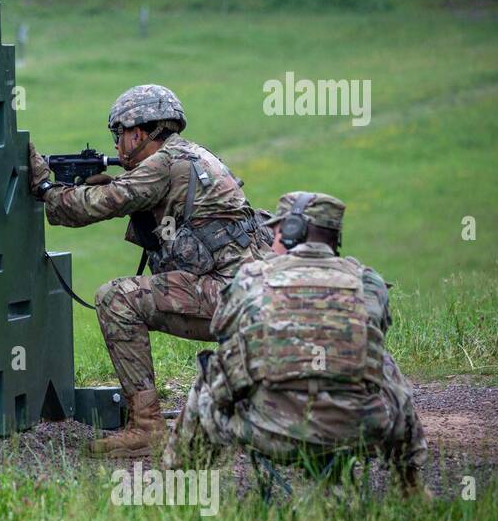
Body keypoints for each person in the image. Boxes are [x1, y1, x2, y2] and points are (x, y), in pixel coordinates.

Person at [29, 84, 269, 458]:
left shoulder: (161, 165)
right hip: (254, 299)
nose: (117, 146)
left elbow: (87, 208)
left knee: (117, 298)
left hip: (230, 300)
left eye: (119, 135)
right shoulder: (191, 155)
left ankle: (146, 428)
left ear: (137, 133)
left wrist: (46, 187)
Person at [162, 191, 429, 497]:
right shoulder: (367, 282)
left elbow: (222, 330)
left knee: (210, 372)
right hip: (358, 430)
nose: (271, 239)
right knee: (384, 362)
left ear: (291, 232)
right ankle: (409, 485)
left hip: (269, 431)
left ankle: (176, 485)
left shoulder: (253, 278)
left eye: (276, 231)